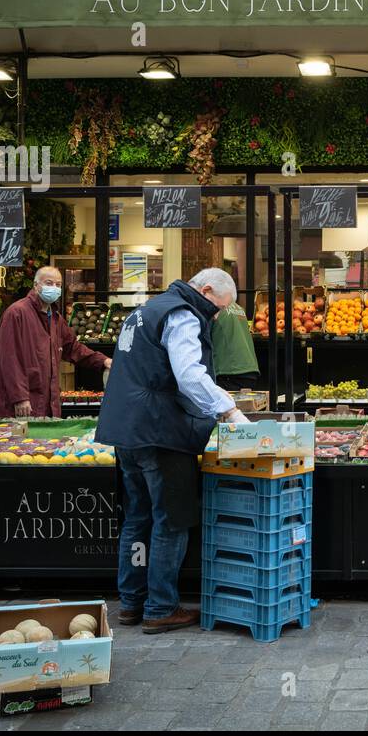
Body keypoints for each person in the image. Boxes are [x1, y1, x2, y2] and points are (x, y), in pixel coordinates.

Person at [95, 268, 250, 634]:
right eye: (217, 308)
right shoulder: (181, 315)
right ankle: (161, 607)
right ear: (207, 290)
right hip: (159, 431)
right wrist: (229, 410)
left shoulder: (148, 309)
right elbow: (189, 375)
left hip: (126, 429)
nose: (214, 316)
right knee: (171, 520)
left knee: (138, 517)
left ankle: (131, 603)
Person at [0, 266, 111, 419]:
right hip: (23, 405)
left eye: (58, 285)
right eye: (49, 283)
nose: (54, 288)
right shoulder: (17, 313)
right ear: (36, 285)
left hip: (48, 403)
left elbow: (73, 348)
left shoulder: (55, 318)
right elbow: (10, 359)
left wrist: (103, 361)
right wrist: (20, 397)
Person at [213, 293, 261, 392]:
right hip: (248, 369)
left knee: (225, 406)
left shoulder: (215, 307)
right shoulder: (238, 308)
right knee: (243, 406)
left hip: (228, 370)